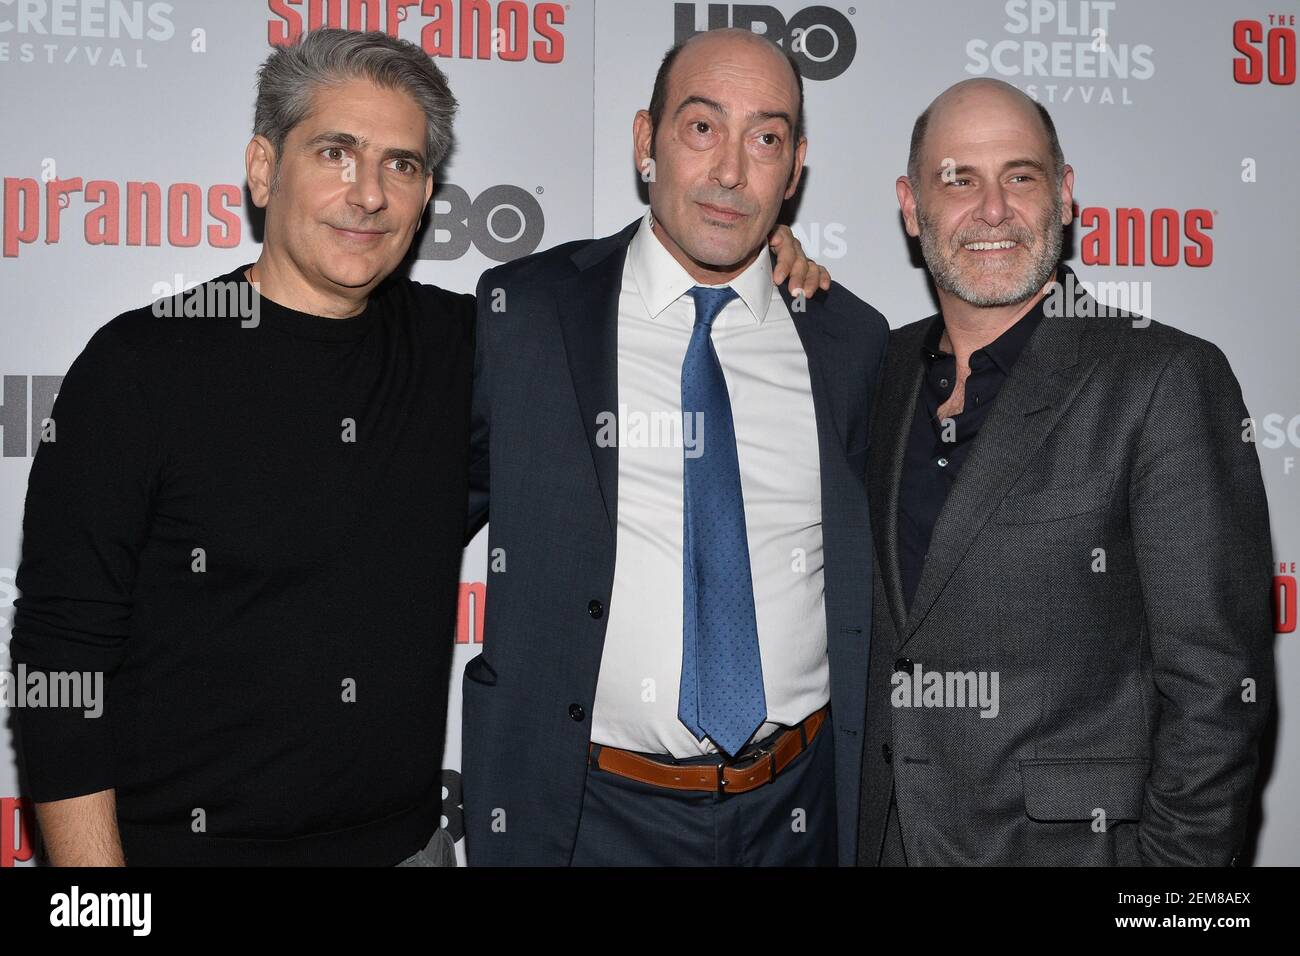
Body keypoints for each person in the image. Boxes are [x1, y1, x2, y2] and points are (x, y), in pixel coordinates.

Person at [11, 28, 824, 867]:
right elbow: (60, 653)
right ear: (263, 167)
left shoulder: (473, 346)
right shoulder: (139, 366)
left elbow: (637, 299)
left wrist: (755, 257)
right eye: (336, 152)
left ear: (427, 191)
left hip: (408, 850)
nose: (367, 194)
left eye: (400, 165)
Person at [461, 27, 889, 866]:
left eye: (765, 138)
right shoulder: (528, 316)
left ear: (795, 167)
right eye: (701, 128)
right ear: (644, 141)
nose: (731, 170)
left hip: (798, 813)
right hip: (588, 818)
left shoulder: (851, 342)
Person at [858, 77, 1274, 866]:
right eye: (958, 180)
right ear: (912, 207)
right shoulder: (875, 375)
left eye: (1021, 176)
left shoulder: (1163, 378)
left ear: (1066, 195)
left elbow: (1217, 691)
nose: (991, 210)